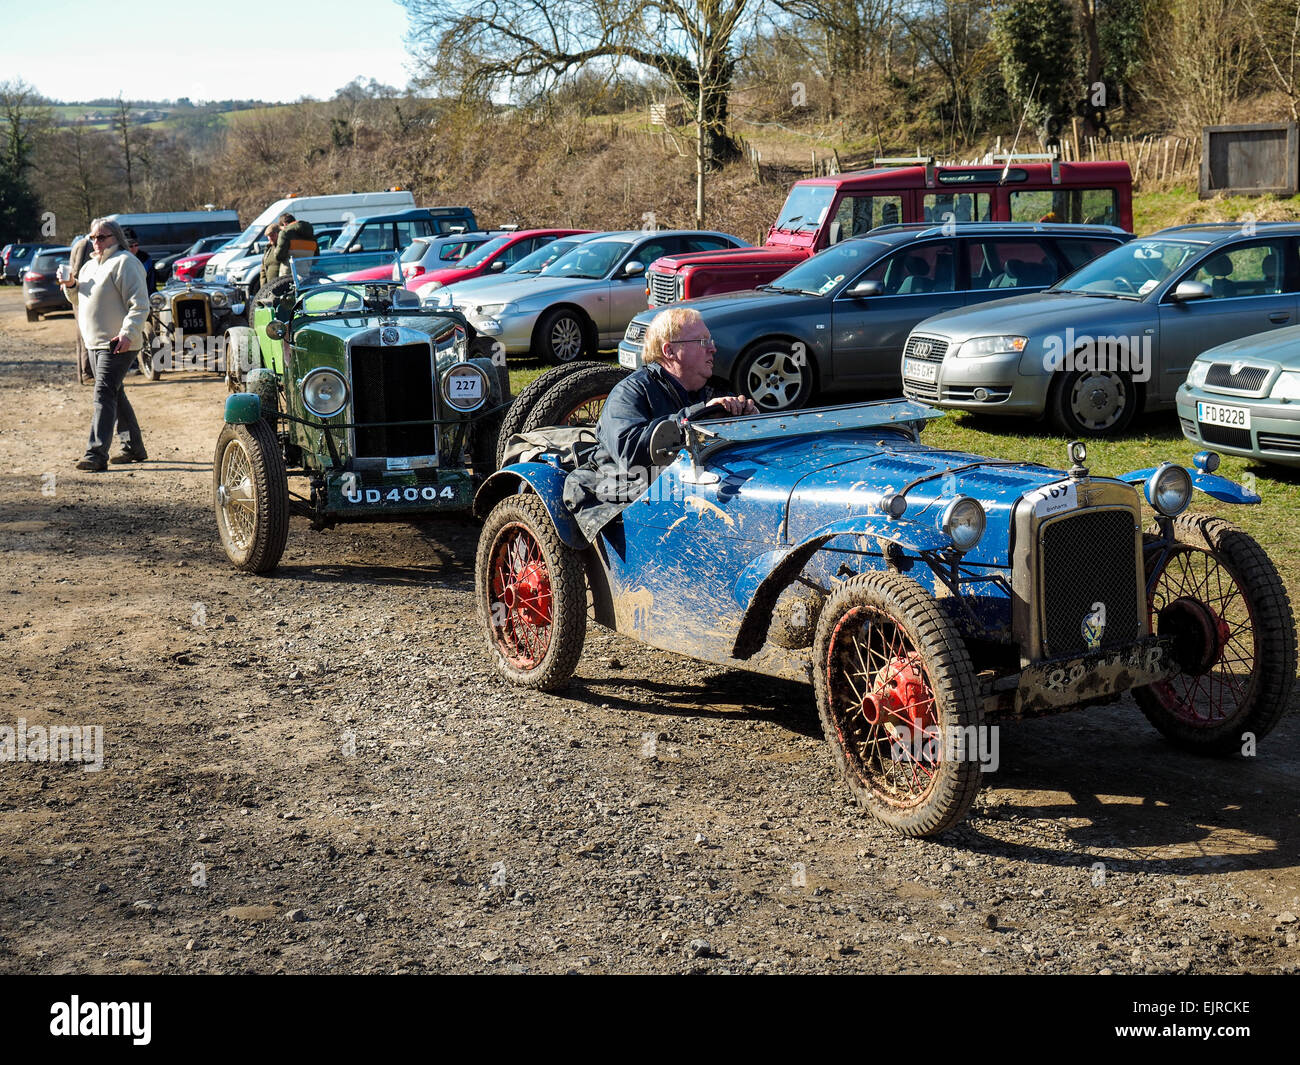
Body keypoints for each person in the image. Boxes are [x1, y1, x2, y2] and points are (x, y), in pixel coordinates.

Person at [592, 306, 756, 474]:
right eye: (702, 341)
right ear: (670, 351)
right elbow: (629, 453)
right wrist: (699, 415)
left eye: (711, 341)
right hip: (619, 493)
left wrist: (750, 423)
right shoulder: (630, 392)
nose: (712, 349)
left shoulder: (715, 390)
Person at [60, 217, 150, 471]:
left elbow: (140, 304)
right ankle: (133, 447)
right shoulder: (89, 267)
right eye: (92, 237)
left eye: (102, 237)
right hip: (94, 342)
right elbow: (78, 299)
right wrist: (70, 285)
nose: (96, 242)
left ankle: (96, 454)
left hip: (118, 343)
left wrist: (127, 334)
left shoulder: (126, 263)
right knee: (115, 393)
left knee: (103, 393)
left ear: (116, 238)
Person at [64, 234, 95, 384]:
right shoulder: (84, 245)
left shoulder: (80, 243)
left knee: (82, 334)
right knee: (84, 334)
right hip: (81, 295)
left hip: (81, 293)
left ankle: (84, 373)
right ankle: (86, 373)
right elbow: (76, 270)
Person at [273, 213, 317, 279]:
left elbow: (279, 256)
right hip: (307, 276)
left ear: (284, 224)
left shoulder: (285, 233)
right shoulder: (311, 236)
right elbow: (316, 258)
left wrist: (275, 250)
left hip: (289, 276)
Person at [258, 222, 282, 290]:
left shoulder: (283, 248)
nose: (270, 238)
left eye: (272, 235)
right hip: (269, 288)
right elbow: (263, 270)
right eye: (268, 236)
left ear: (279, 234)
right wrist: (263, 289)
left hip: (281, 286)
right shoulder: (268, 249)